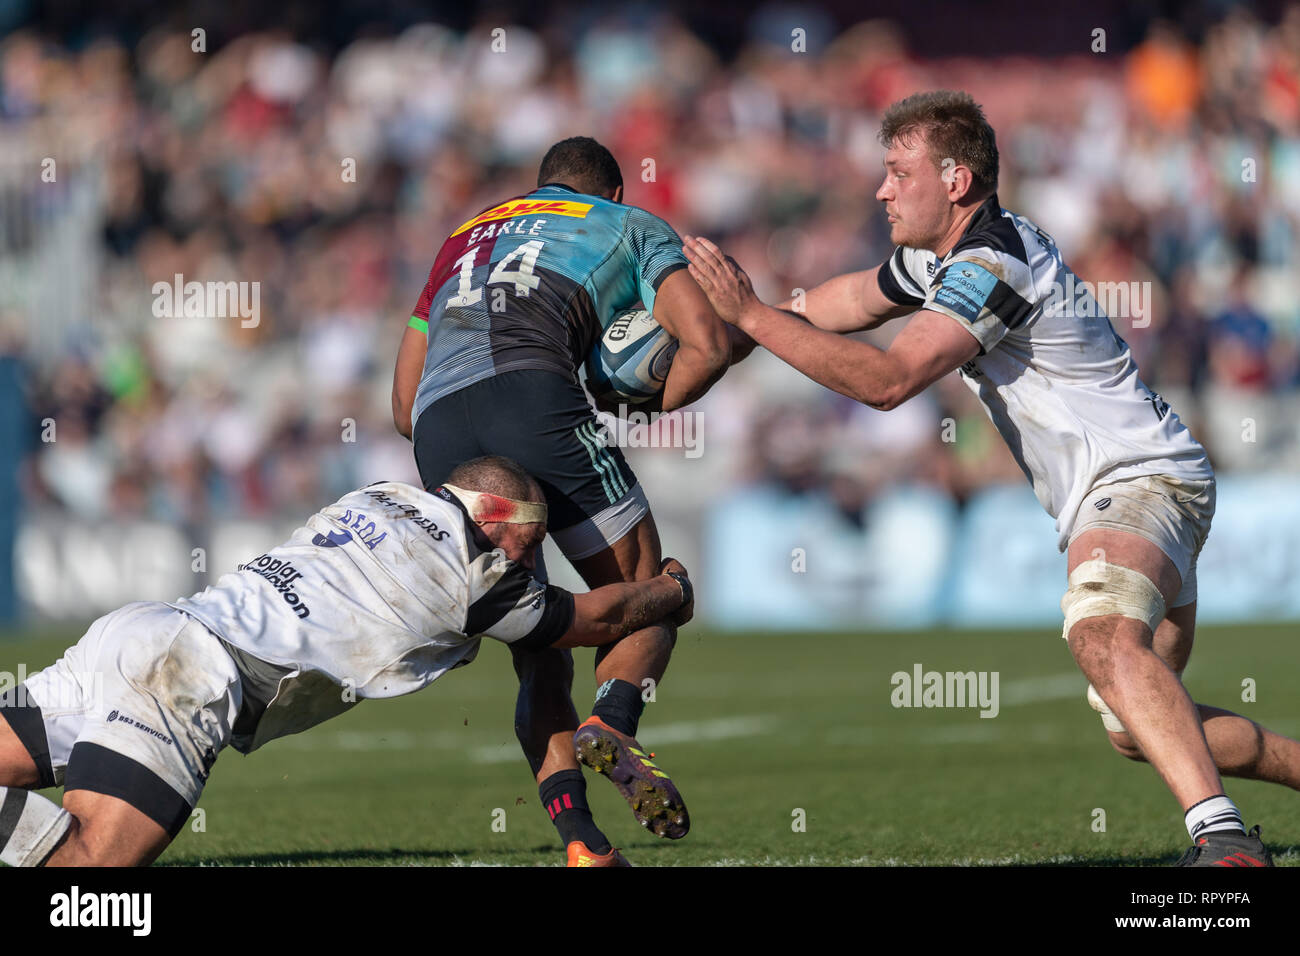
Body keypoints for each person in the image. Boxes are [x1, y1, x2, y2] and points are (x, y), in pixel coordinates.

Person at [683, 90, 1299, 867]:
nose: (881, 189)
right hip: (1143, 479)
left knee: (1102, 634)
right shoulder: (944, 255)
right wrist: (761, 316)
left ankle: (1224, 840)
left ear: (955, 181)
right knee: (1133, 723)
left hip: (1138, 477)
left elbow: (888, 381)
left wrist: (752, 319)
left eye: (898, 171)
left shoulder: (990, 263)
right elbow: (854, 299)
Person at [0, 456, 694, 867]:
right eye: (525, 539)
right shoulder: (472, 578)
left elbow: (539, 660)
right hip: (188, 676)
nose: (525, 557)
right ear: (489, 513)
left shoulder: (378, 495)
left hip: (143, 630)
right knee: (91, 868)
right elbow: (592, 619)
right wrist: (670, 589)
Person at [391, 136, 735, 858]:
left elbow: (399, 405)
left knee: (540, 642)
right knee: (649, 591)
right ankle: (611, 722)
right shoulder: (632, 224)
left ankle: (579, 840)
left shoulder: (463, 234)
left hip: (439, 428)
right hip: (536, 396)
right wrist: (642, 401)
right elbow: (705, 344)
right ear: (610, 194)